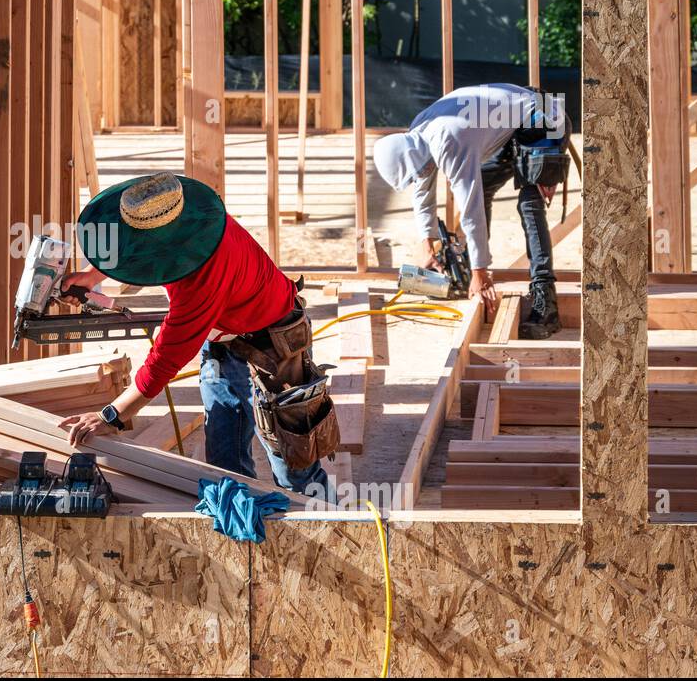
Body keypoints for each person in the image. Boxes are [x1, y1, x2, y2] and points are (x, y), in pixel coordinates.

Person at [56, 172, 338, 498]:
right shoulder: (181, 215)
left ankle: (331, 526)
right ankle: (242, 538)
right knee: (225, 466)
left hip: (275, 344)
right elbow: (132, 243)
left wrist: (112, 416)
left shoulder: (200, 278)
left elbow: (165, 359)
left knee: (292, 465)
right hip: (224, 341)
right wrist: (91, 277)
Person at [372, 83, 568, 338]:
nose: (421, 175)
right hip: (515, 123)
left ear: (410, 156)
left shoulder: (449, 140)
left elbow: (470, 209)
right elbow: (422, 195)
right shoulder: (418, 134)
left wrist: (481, 272)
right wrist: (428, 247)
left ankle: (546, 303)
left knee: (529, 203)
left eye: (418, 171)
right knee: (486, 184)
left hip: (546, 114)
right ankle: (466, 269)